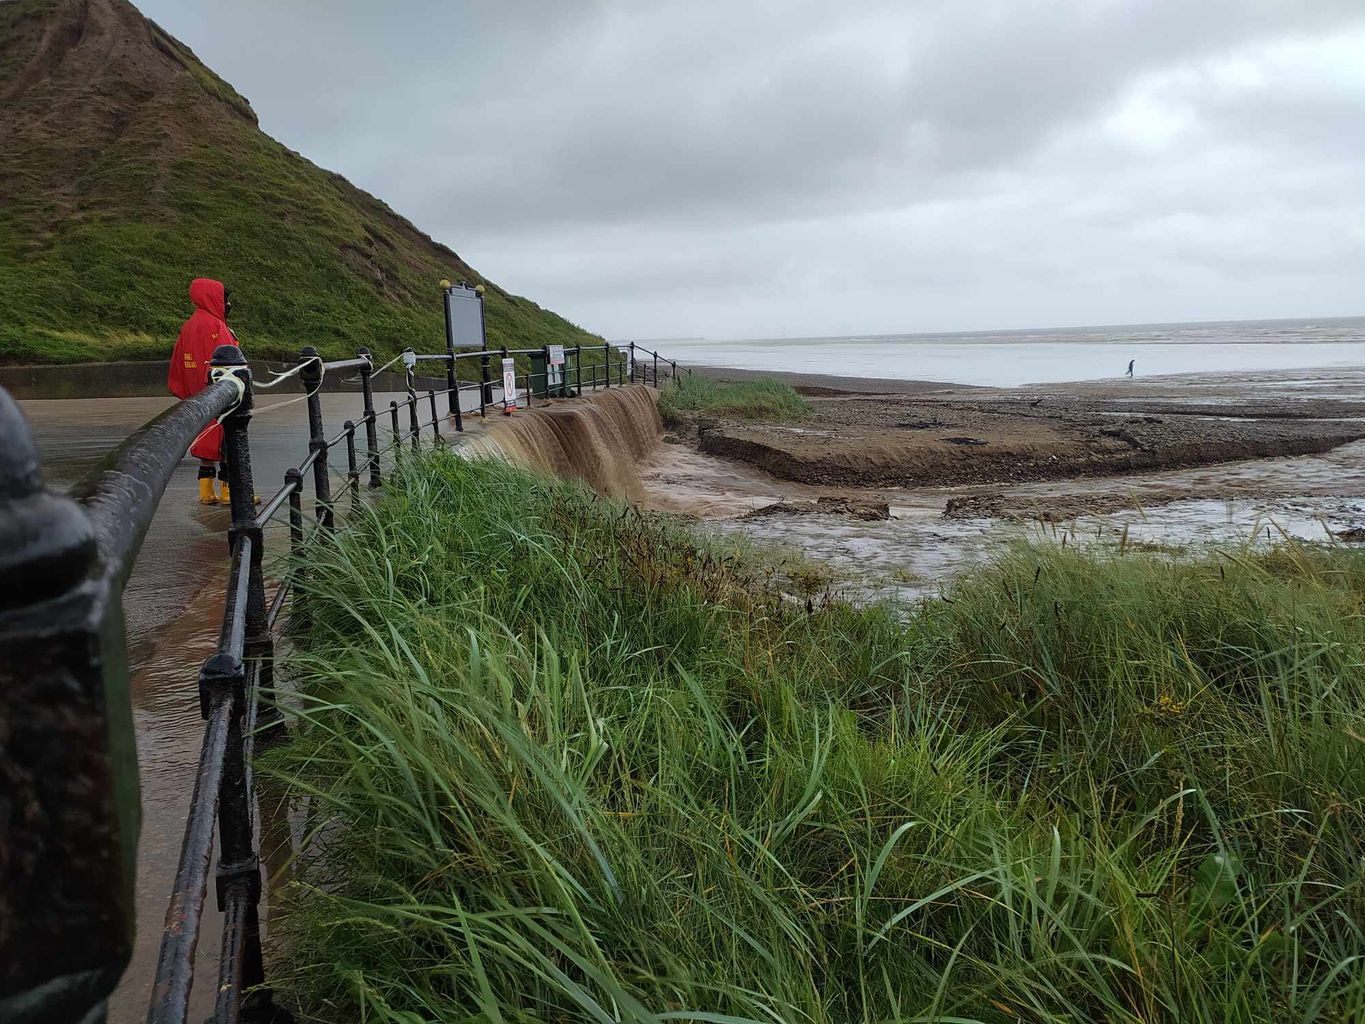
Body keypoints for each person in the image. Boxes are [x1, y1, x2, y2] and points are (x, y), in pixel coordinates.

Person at [168, 278, 238, 505]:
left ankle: (206, 493)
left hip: (197, 396)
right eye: (226, 300)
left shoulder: (188, 326)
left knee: (205, 444)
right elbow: (233, 363)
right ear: (216, 299)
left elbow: (178, 364)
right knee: (228, 443)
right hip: (219, 396)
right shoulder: (217, 327)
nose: (228, 304)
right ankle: (230, 492)